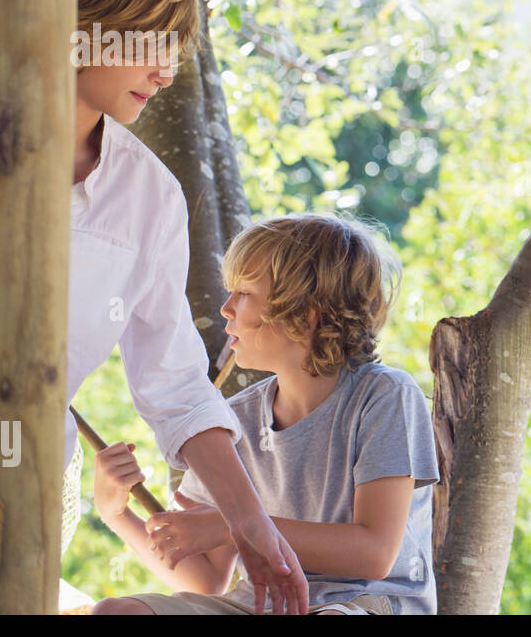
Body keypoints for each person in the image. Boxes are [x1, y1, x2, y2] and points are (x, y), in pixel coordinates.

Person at [0, 0, 307, 615]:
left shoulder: (151, 199)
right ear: (78, 22)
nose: (164, 72)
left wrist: (253, 526)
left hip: (13, 511)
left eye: (175, 48)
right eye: (147, 43)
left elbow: (178, 387)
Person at [89, 212, 439, 615]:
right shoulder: (229, 421)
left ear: (305, 314)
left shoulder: (385, 396)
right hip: (263, 604)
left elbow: (374, 553)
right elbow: (206, 579)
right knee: (115, 613)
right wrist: (116, 514)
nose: (225, 309)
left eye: (244, 293)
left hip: (365, 602)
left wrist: (231, 525)